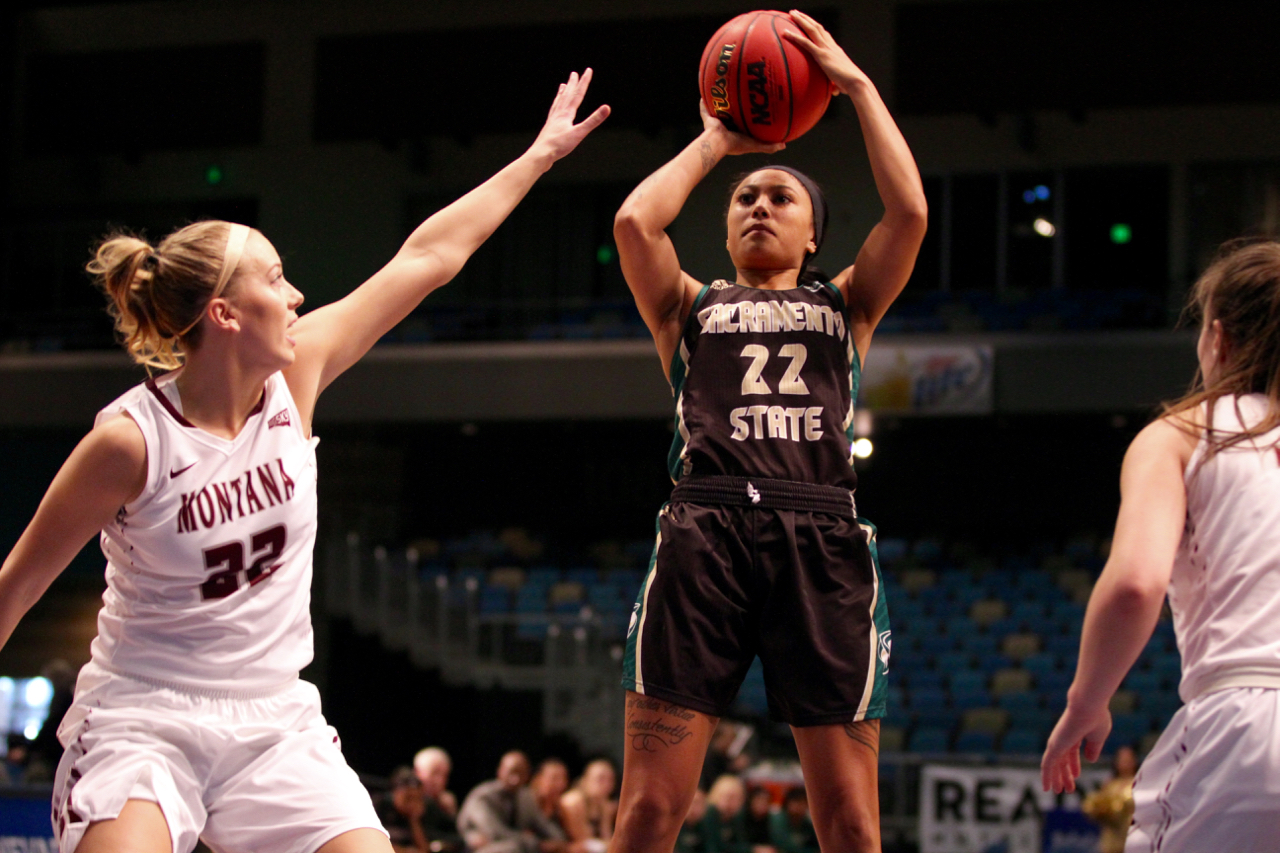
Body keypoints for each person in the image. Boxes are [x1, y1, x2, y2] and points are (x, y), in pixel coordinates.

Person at [0, 70, 607, 853]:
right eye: (276, 278)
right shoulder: (131, 440)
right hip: (143, 717)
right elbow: (14, 588)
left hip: (274, 719)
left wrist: (539, 156)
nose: (296, 296)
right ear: (223, 313)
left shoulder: (296, 375)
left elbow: (428, 256)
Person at [610, 10, 925, 853]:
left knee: (851, 821)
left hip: (818, 531)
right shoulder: (689, 305)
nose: (758, 205)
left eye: (780, 196)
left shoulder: (844, 303)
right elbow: (636, 225)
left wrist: (856, 88)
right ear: (722, 225)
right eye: (746, 198)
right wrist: (718, 141)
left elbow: (909, 213)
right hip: (702, 528)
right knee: (646, 811)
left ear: (813, 231)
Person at [1041, 239, 1280, 851]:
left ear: (1217, 339)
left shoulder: (1181, 433)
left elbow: (1135, 584)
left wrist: (1086, 703)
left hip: (1249, 724)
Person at [456, 751, 567, 853]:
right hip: (476, 848)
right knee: (514, 848)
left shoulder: (526, 797)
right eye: (511, 772)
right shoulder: (482, 797)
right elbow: (495, 832)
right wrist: (535, 843)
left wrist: (559, 841)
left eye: (521, 774)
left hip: (515, 845)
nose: (515, 779)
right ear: (500, 771)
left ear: (527, 776)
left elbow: (543, 824)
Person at [1080, 745, 1137, 853]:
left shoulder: (1139, 783)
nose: (1125, 763)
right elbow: (1098, 808)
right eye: (1122, 760)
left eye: (1128, 760)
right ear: (1116, 762)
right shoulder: (1109, 785)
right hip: (1112, 839)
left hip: (1132, 837)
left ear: (1134, 761)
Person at [559, 758, 617, 852]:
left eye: (610, 779)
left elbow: (606, 836)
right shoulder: (572, 802)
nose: (607, 784)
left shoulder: (605, 805)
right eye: (600, 779)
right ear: (586, 779)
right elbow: (582, 840)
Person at [415, 747, 464, 852]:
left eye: (444, 775)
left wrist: (452, 813)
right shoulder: (408, 800)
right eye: (434, 773)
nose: (440, 781)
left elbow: (457, 839)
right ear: (417, 772)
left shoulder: (446, 803)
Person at [375, 767, 431, 853]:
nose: (413, 804)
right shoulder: (380, 805)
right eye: (409, 798)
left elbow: (424, 849)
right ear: (395, 792)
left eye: (417, 799)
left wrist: (414, 820)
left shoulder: (419, 815)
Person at [701, 775, 748, 853]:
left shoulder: (737, 817)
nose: (732, 803)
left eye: (737, 798)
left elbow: (740, 844)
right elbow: (712, 846)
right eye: (729, 797)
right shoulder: (709, 815)